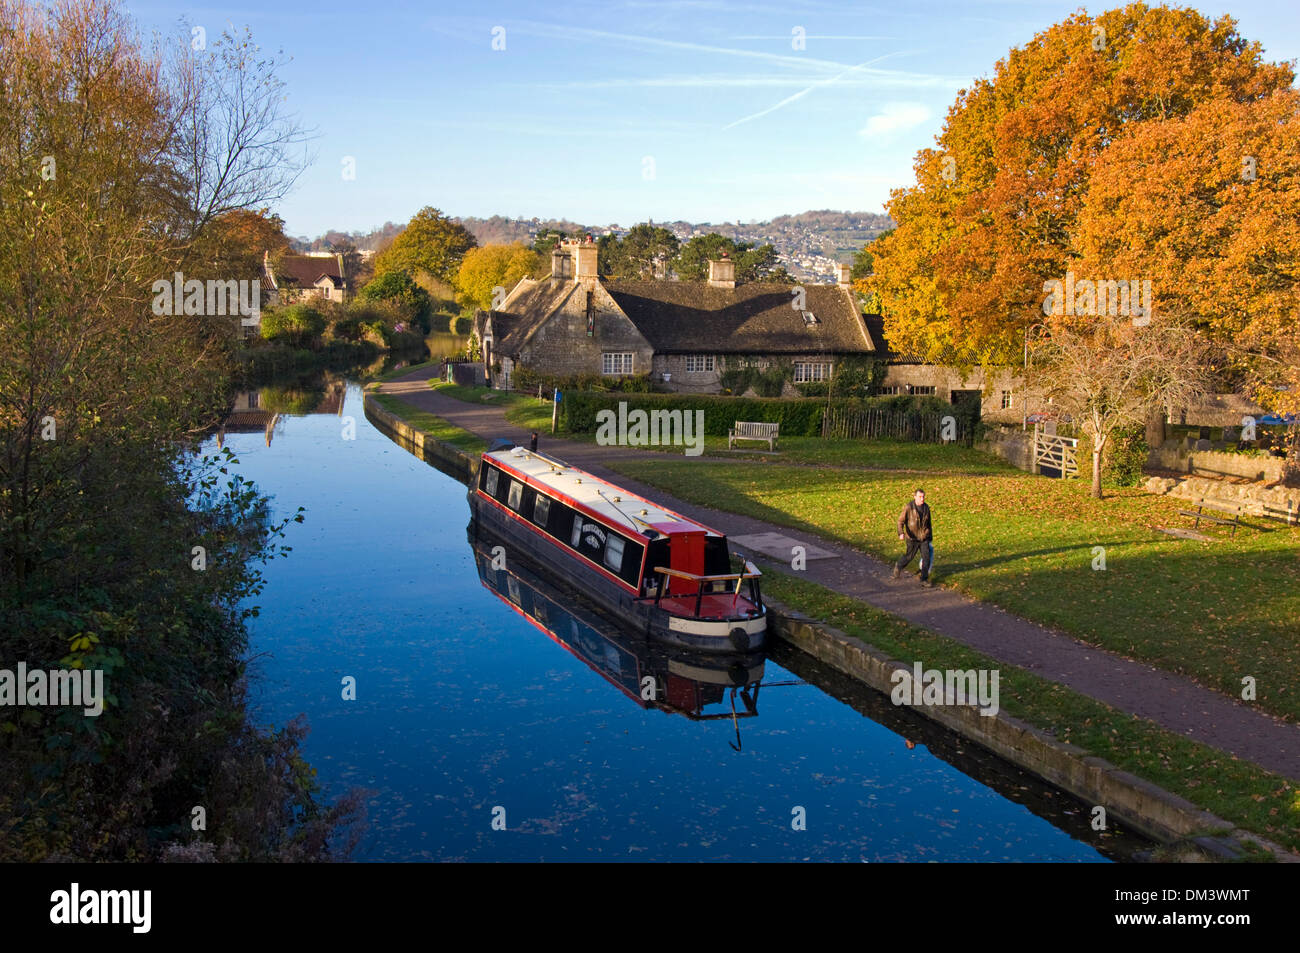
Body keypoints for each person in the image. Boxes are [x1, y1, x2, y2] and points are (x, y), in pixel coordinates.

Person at [893, 487, 933, 585]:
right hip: (912, 538)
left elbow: (929, 524)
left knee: (926, 558)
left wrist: (930, 537)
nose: (922, 499)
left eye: (923, 497)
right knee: (909, 557)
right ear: (914, 497)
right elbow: (900, 521)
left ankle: (924, 579)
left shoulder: (926, 508)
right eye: (920, 497)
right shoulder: (909, 507)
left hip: (924, 538)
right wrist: (901, 533)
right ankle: (899, 566)